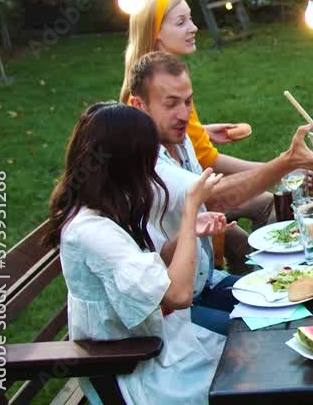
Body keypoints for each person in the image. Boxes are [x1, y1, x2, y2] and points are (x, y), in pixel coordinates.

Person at [128, 52, 313, 335]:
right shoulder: (147, 160)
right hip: (175, 312)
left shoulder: (179, 139)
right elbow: (214, 197)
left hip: (207, 282)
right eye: (171, 104)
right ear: (139, 106)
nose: (183, 114)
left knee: (310, 304)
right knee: (263, 338)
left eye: (188, 102)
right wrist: (287, 162)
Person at [43, 102, 226, 404]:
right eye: (148, 157)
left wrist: (188, 231)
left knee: (255, 357)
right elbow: (178, 295)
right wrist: (190, 208)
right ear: (126, 163)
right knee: (256, 376)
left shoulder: (110, 206)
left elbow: (153, 272)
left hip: (158, 346)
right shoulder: (92, 232)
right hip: (132, 370)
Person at [118, 0, 270, 271]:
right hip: (176, 219)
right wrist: (279, 168)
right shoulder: (154, 89)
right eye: (181, 22)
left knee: (252, 223)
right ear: (155, 33)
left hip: (190, 201)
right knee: (264, 209)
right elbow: (208, 165)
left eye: (190, 19)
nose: (193, 27)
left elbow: (185, 145)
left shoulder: (168, 81)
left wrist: (200, 131)